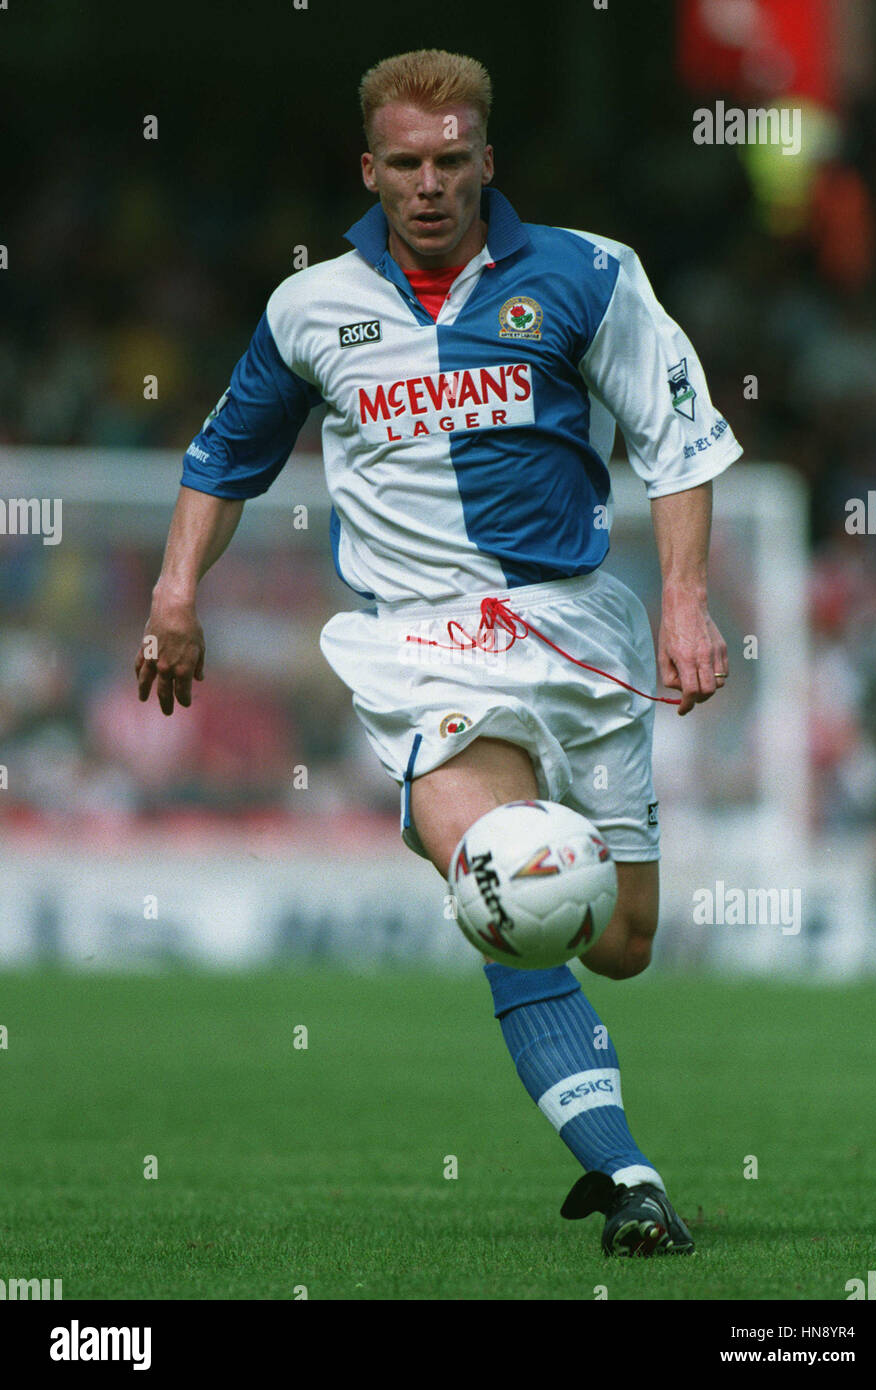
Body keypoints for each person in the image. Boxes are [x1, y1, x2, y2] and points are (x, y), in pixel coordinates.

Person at [135, 48, 741, 1257]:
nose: (428, 186)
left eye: (451, 162)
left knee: (619, 943)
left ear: (486, 161)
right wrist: (172, 589)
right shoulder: (311, 306)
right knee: (507, 883)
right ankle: (626, 1177)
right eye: (404, 164)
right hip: (423, 647)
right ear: (369, 168)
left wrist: (683, 602)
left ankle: (611, 1138)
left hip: (575, 631)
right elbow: (223, 455)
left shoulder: (585, 273)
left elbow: (677, 439)